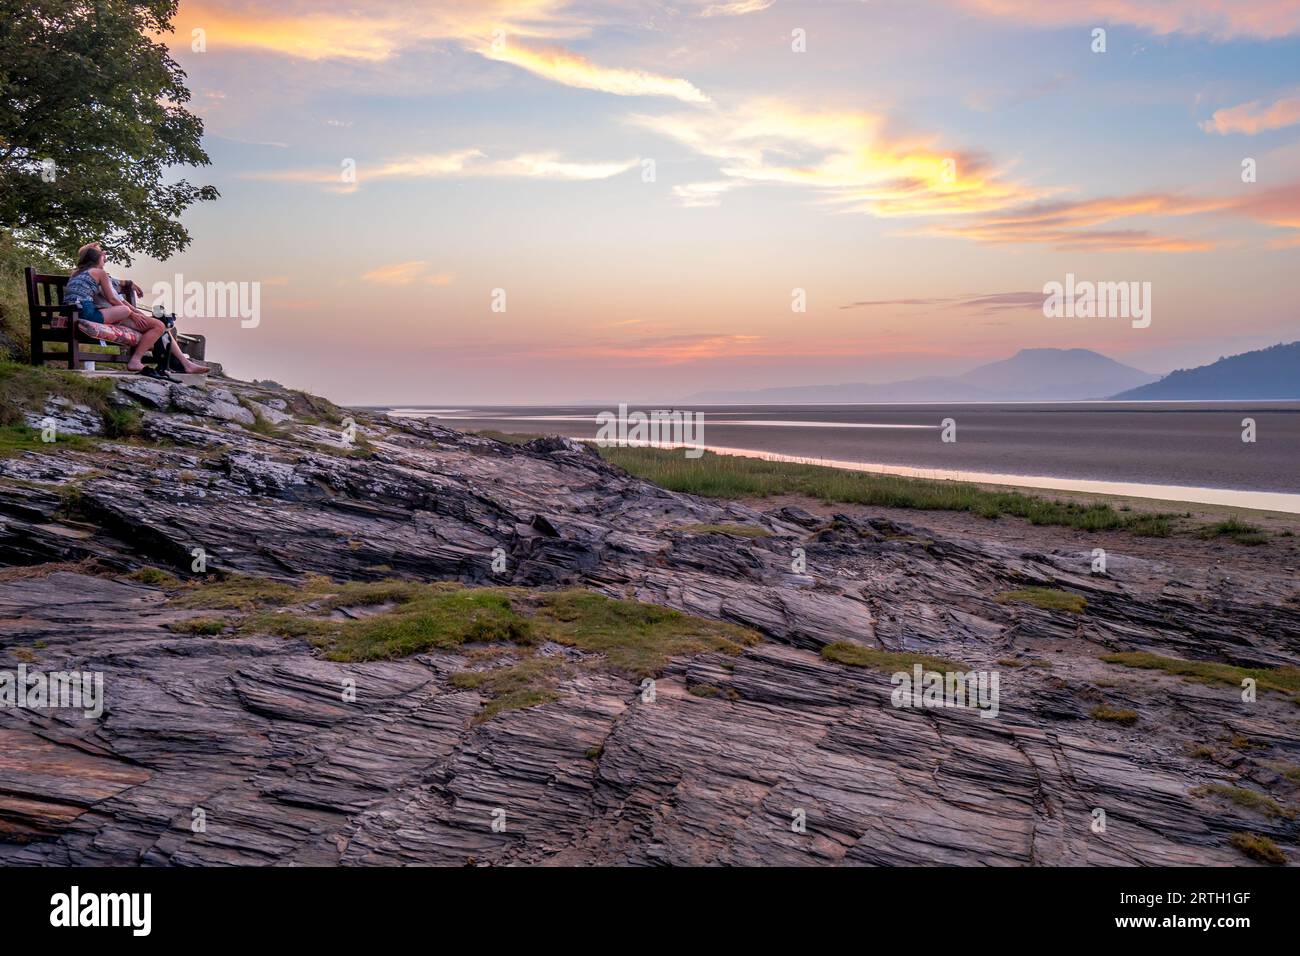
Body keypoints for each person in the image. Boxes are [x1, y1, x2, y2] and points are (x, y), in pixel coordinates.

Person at [64, 244, 208, 375]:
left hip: (73, 310)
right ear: (97, 259)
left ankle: (185, 364)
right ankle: (138, 361)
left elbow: (115, 294)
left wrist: (131, 296)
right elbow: (113, 300)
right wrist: (133, 313)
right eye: (103, 257)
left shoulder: (76, 274)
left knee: (159, 326)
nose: (105, 260)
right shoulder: (99, 274)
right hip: (89, 312)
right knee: (156, 324)